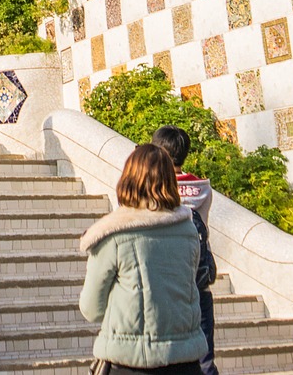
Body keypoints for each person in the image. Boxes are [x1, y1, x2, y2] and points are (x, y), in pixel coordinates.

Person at [79, 144, 208, 375]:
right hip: (186, 361)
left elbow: (91, 308)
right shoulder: (188, 229)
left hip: (130, 362)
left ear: (128, 179)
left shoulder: (114, 234)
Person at [151, 127, 220, 375]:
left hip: (168, 285)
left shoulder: (157, 189)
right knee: (205, 360)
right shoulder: (203, 188)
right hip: (198, 282)